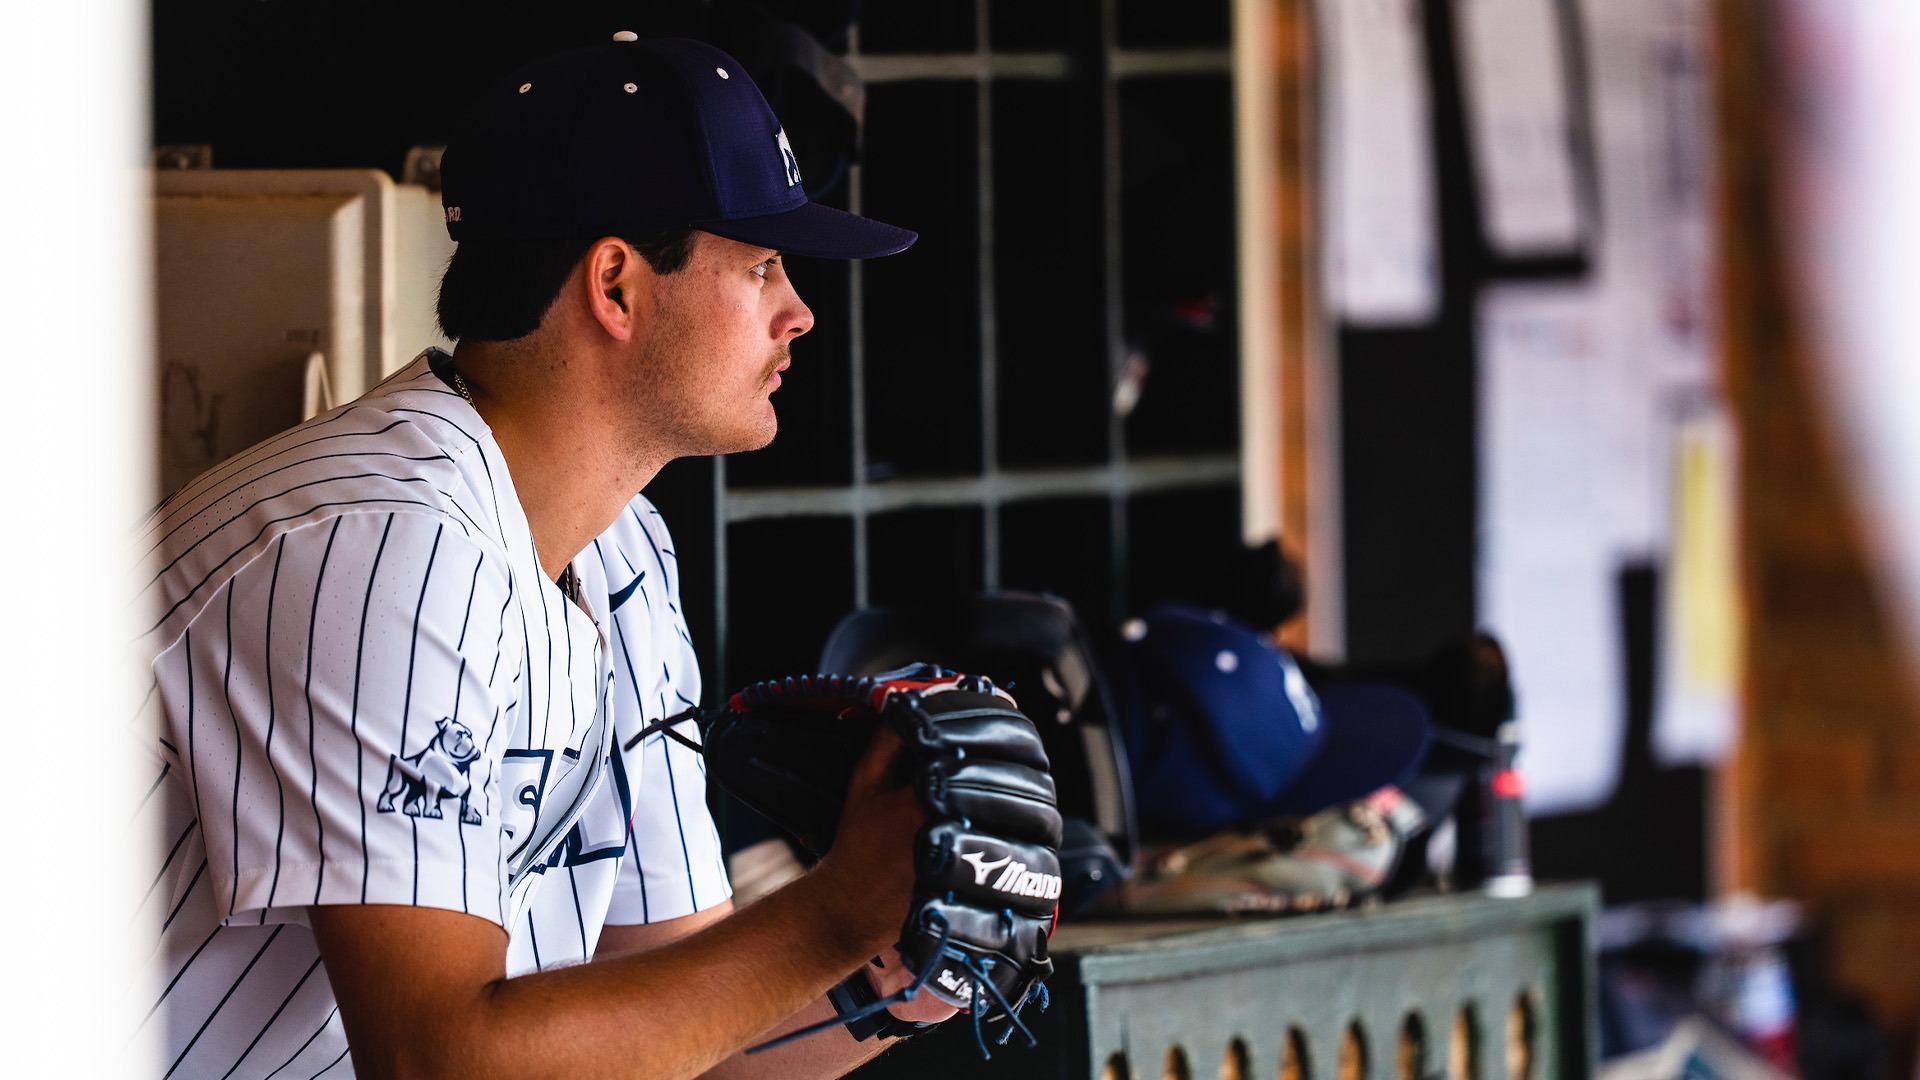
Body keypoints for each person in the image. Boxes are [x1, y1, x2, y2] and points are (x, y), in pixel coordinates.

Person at [135, 33, 952, 1078]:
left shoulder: (623, 555)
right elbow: (441, 1063)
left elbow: (691, 1035)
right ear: (616, 284)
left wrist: (908, 967)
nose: (798, 311)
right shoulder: (378, 544)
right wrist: (835, 911)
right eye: (761, 265)